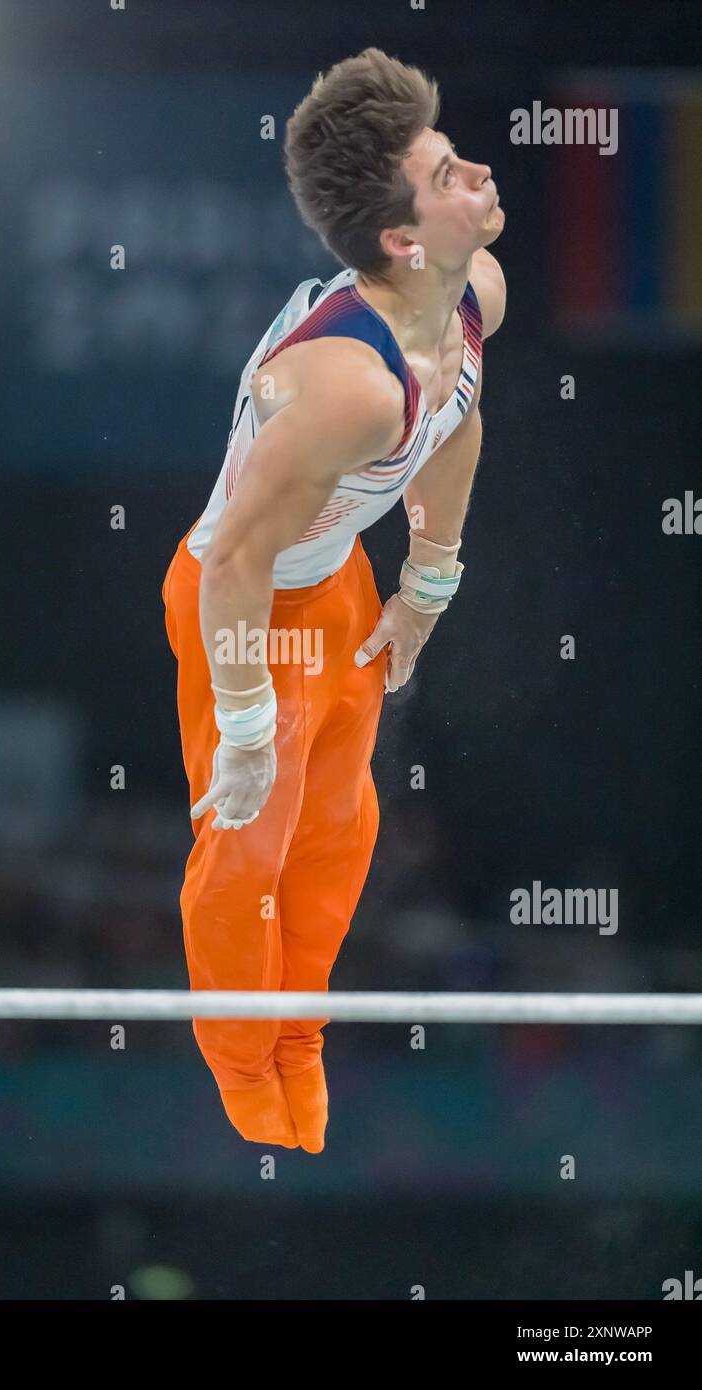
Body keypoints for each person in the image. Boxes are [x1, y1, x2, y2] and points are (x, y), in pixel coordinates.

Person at [162, 47, 506, 1152]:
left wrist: (423, 589)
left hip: (339, 585)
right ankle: (236, 1069)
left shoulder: (470, 297)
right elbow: (232, 562)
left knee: (341, 831)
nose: (480, 174)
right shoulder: (345, 389)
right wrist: (250, 722)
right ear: (401, 241)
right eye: (449, 170)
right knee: (246, 848)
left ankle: (295, 1039)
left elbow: (458, 425)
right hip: (238, 602)